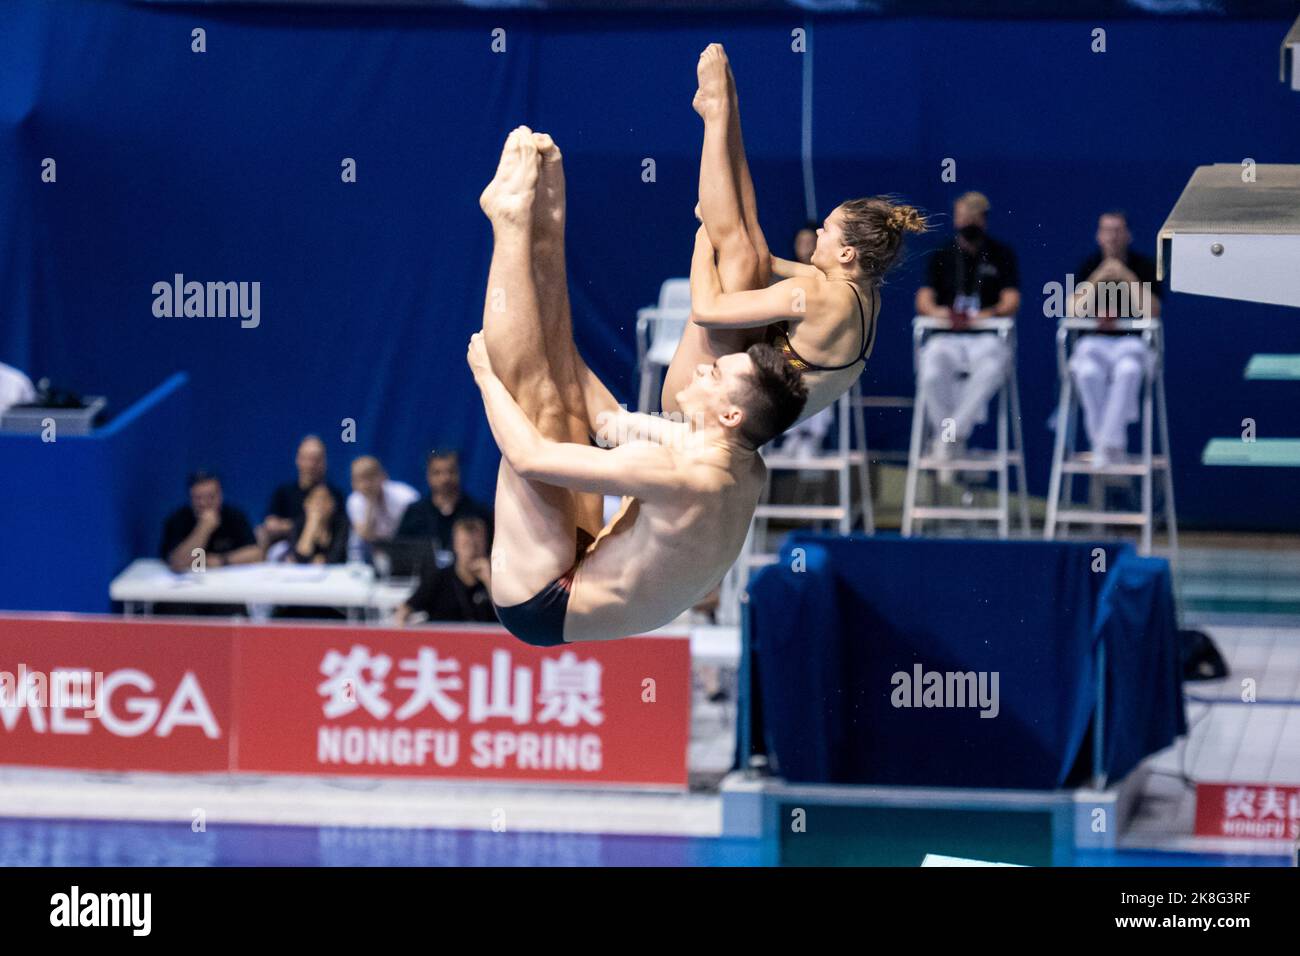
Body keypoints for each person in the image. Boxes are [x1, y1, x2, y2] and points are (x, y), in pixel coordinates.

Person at [472, 127, 806, 645]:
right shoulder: (743, 463)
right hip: (596, 562)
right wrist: (551, 235)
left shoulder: (678, 471)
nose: (701, 370)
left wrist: (485, 375)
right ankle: (544, 229)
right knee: (563, 379)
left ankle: (508, 222)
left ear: (732, 415)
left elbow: (529, 457)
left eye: (716, 376)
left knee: (537, 403)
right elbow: (613, 423)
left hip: (542, 599)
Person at [659, 43, 926, 424]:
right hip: (727, 412)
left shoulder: (816, 295)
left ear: (847, 253)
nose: (817, 231)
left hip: (698, 411)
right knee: (750, 248)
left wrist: (703, 235)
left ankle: (718, 116)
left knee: (735, 252)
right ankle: (725, 114)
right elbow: (764, 258)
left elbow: (706, 310)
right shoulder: (860, 293)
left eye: (828, 229)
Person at [914, 191, 1021, 464]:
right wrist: (942, 313)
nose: (968, 223)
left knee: (992, 368)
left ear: (983, 220)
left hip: (984, 335)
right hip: (948, 335)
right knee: (930, 371)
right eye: (963, 217)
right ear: (956, 219)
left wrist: (985, 314)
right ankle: (952, 439)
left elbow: (1011, 301)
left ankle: (949, 437)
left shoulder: (1000, 253)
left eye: (973, 218)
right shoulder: (941, 254)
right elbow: (924, 299)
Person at [1066, 210, 1162, 469]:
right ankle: (1111, 446)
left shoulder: (1144, 266)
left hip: (1131, 343)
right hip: (1094, 344)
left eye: (1117, 230)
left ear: (1128, 235)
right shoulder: (1088, 266)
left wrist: (1124, 274)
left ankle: (1104, 446)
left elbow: (1152, 311)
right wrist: (1100, 276)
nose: (1112, 237)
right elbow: (1073, 310)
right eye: (1106, 231)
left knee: (1129, 371)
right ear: (1098, 236)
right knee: (1086, 373)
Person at [394, 516, 496, 625]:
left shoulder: (496, 579)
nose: (471, 551)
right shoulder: (439, 578)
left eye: (477, 545)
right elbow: (405, 609)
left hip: (488, 640)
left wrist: (489, 581)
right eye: (465, 545)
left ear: (486, 545)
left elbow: (507, 616)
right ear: (456, 545)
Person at [393, 449, 491, 562]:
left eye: (451, 471)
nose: (445, 478)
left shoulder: (478, 512)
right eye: (437, 473)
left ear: (459, 473)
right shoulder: (415, 512)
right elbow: (399, 550)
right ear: (428, 476)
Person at [159, 471, 262, 573]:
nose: (204, 503)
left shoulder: (234, 516)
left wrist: (222, 560)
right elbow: (177, 563)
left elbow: (256, 553)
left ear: (220, 496)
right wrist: (203, 529)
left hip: (228, 576)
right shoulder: (178, 519)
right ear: (190, 498)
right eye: (198, 498)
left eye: (210, 497)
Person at [260, 435, 345, 547]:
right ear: (298, 460)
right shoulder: (283, 492)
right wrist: (308, 524)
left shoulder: (335, 495)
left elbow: (339, 530)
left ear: (324, 462)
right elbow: (270, 525)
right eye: (307, 459)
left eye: (316, 460)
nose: (311, 465)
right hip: (287, 550)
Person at [346, 455, 420, 558]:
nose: (365, 485)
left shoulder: (406, 497)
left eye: (369, 477)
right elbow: (365, 535)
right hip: (371, 554)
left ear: (383, 476)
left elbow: (417, 535)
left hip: (405, 552)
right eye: (359, 479)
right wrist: (370, 504)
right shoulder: (354, 501)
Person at [286, 483, 350, 564]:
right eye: (315, 500)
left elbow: (337, 556)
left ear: (333, 504)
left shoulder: (342, 524)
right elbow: (297, 558)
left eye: (325, 499)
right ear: (306, 504)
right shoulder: (299, 523)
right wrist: (311, 525)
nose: (320, 504)